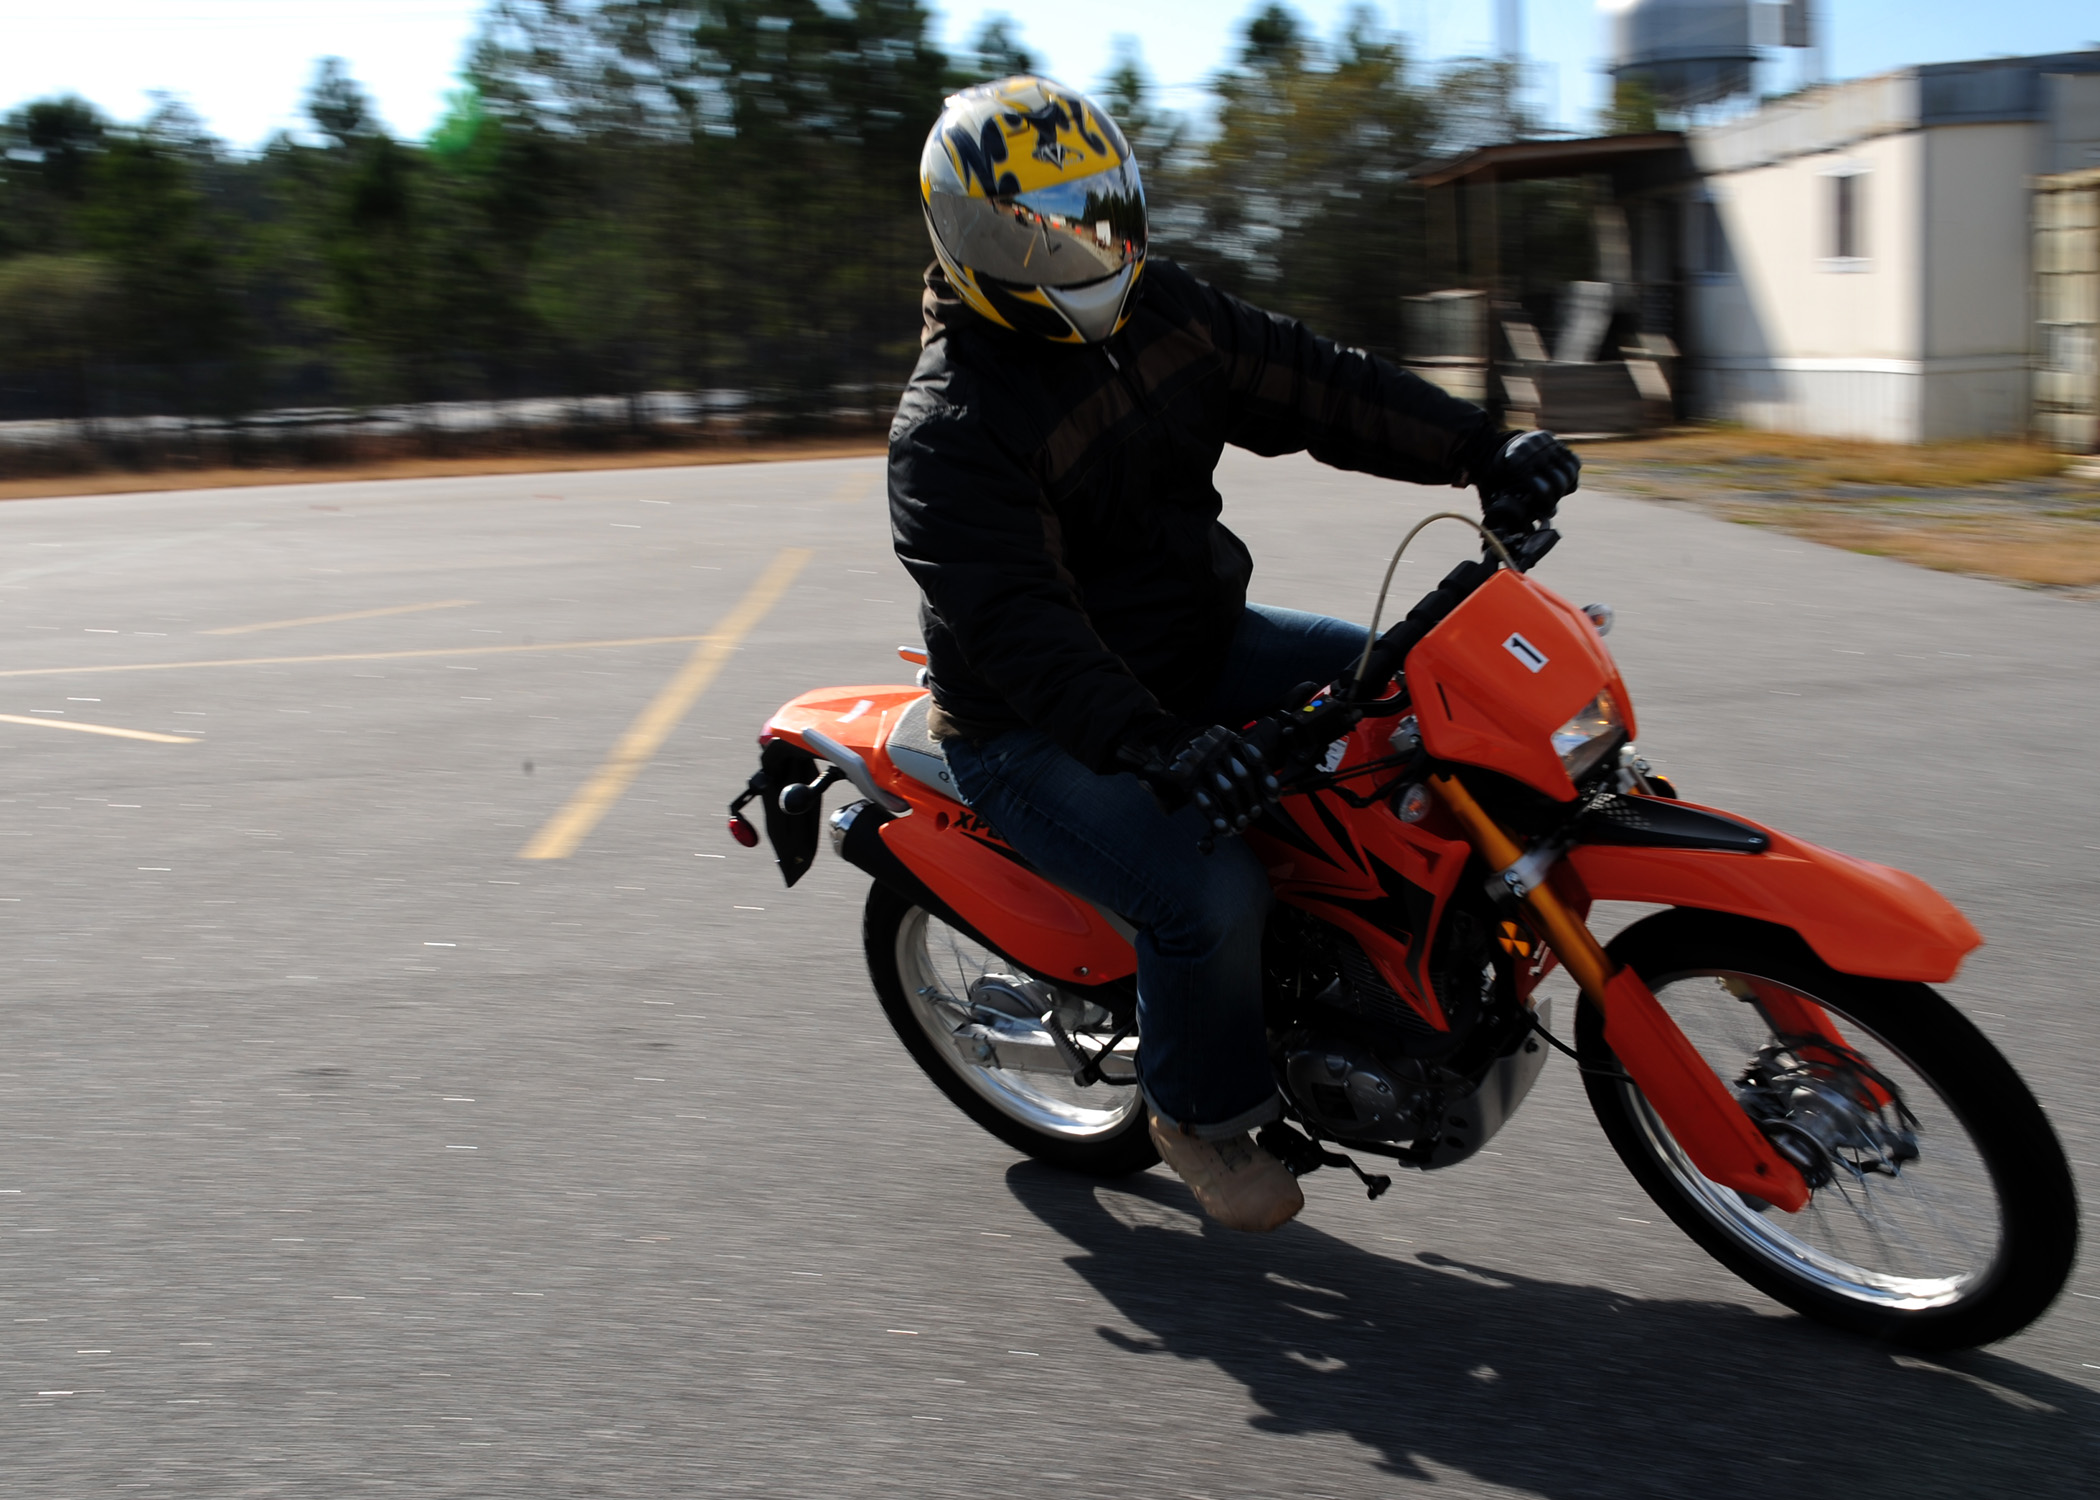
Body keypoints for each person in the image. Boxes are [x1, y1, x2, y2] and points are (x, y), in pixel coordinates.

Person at [888, 77, 1580, 1232]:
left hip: (1201, 647)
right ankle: (1196, 1115)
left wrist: (1481, 447)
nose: (1078, 245)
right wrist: (1155, 744)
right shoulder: (952, 423)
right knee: (1208, 890)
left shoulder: (1166, 310)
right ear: (968, 239)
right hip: (1036, 727)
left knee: (1424, 693)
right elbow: (1018, 627)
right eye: (1034, 228)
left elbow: (1319, 383)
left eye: (1095, 212)